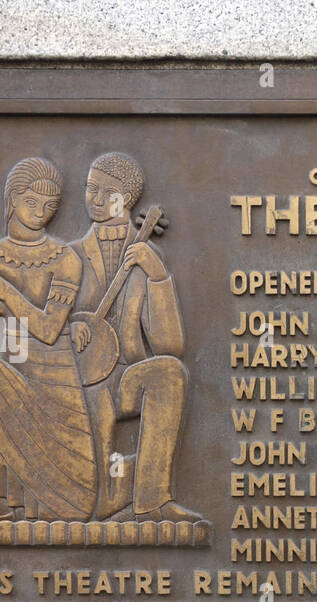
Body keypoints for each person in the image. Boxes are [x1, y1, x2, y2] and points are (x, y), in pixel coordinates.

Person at [0, 157, 96, 522]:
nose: (41, 213)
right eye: (32, 203)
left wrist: (4, 290)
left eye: (50, 207)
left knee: (75, 506)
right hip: (16, 372)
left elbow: (50, 330)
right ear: (13, 200)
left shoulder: (65, 258)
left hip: (56, 383)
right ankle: (1, 501)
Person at [70, 151, 204, 523]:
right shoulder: (68, 257)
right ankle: (101, 495)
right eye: (89, 189)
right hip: (75, 379)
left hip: (124, 378)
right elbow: (39, 328)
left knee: (170, 372)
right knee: (91, 398)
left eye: (105, 192)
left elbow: (170, 346)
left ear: (127, 200)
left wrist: (158, 275)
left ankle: (151, 500)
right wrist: (69, 330)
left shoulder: (147, 256)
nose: (94, 200)